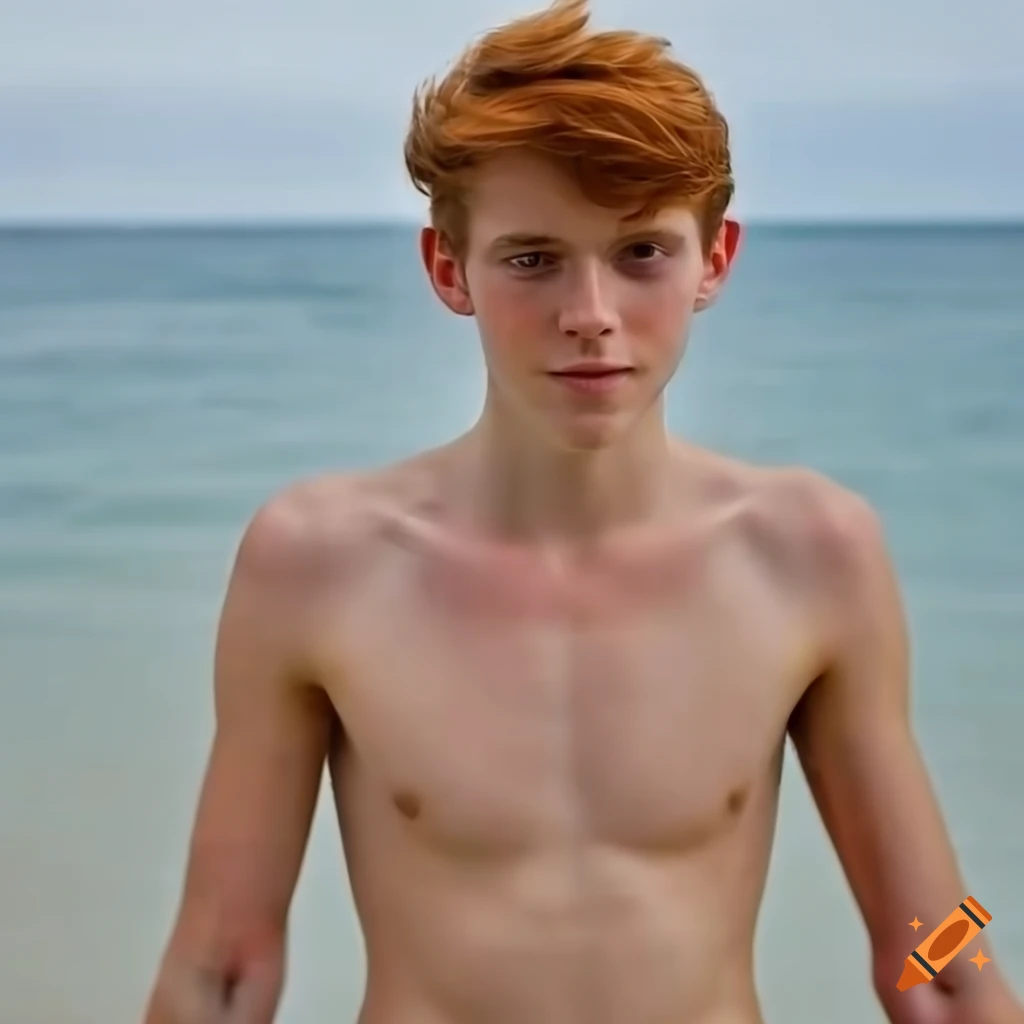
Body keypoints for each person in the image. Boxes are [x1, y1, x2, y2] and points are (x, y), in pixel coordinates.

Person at [142, 1, 1024, 1022]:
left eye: (641, 251)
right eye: (532, 258)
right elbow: (221, 963)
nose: (591, 313)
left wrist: (965, 935)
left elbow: (933, 944)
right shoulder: (318, 562)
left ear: (715, 261)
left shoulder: (809, 551)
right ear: (447, 268)